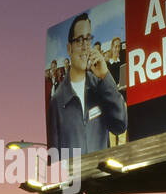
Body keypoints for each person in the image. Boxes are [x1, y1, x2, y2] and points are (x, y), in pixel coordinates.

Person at [47, 12, 127, 155]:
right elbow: (54, 160)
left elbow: (120, 125)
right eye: (79, 40)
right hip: (74, 177)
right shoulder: (56, 102)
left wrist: (105, 76)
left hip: (103, 176)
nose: (85, 46)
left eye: (88, 39)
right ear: (69, 48)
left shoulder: (100, 85)